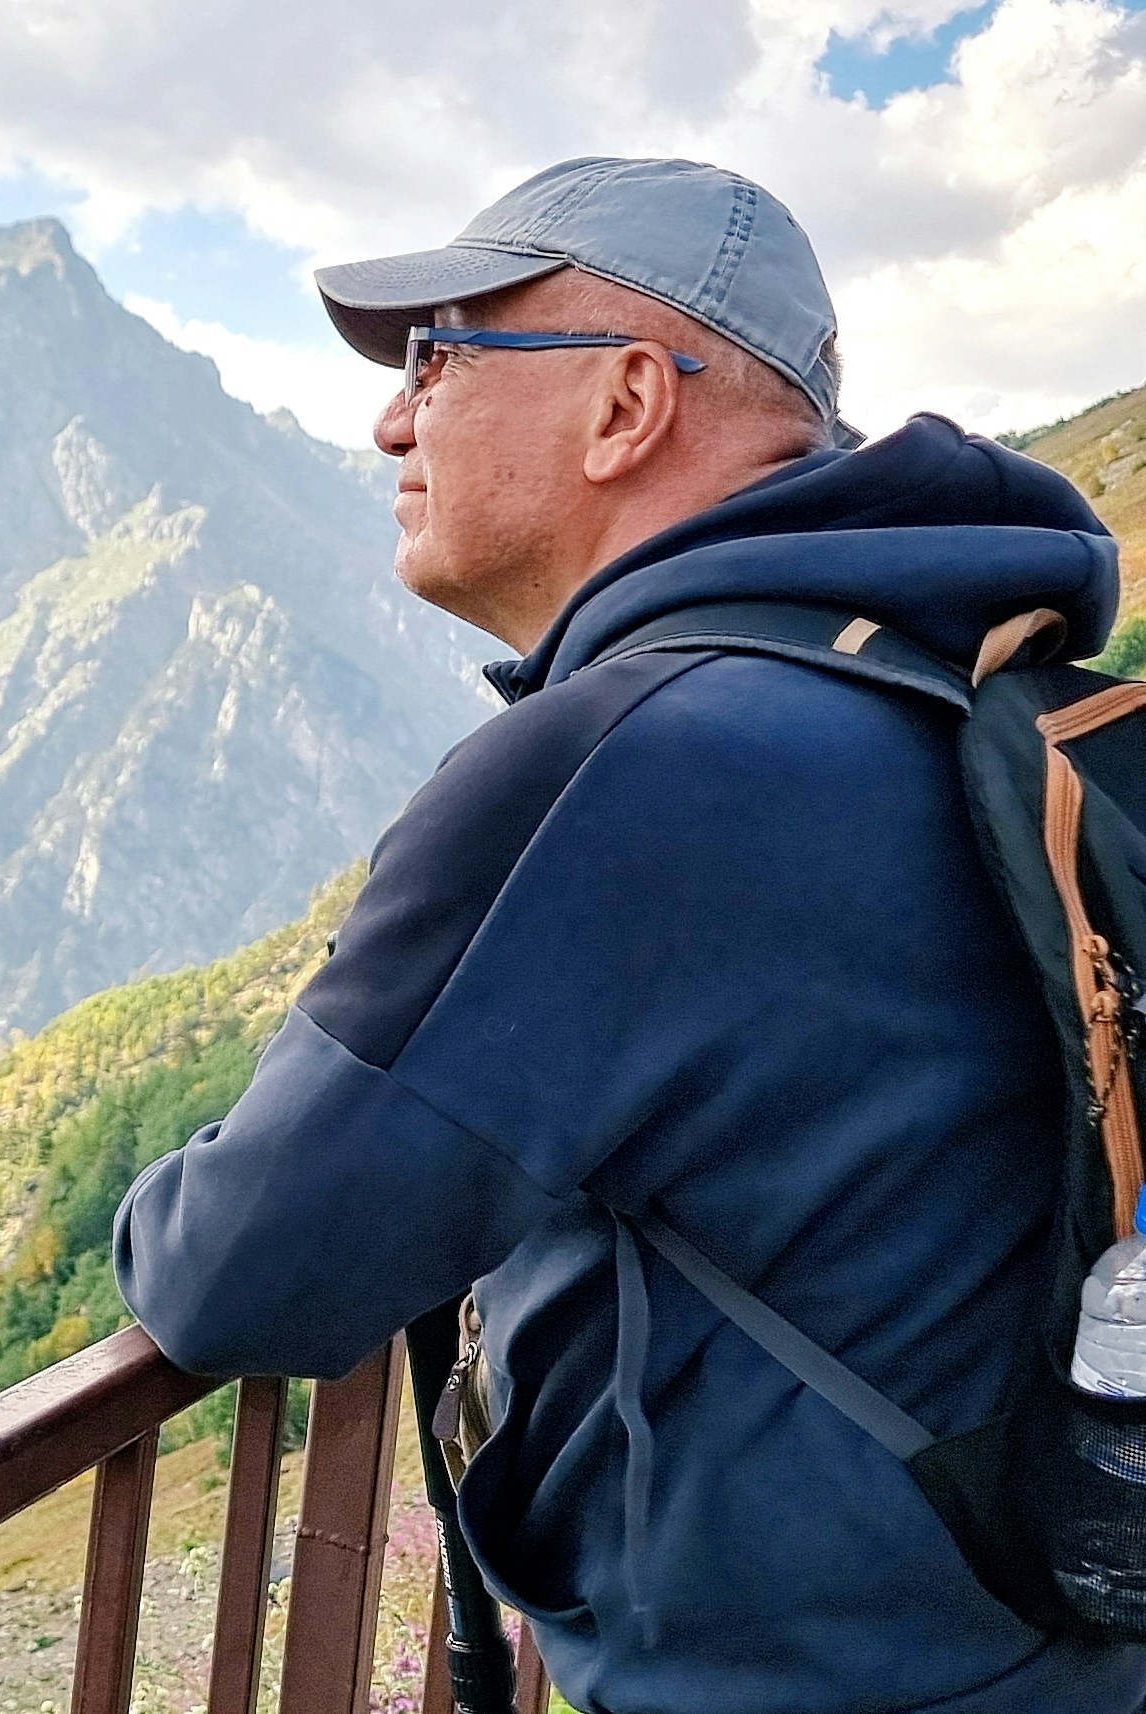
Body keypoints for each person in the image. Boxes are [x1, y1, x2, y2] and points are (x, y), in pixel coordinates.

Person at [110, 158, 1143, 1711]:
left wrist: (174, 1176)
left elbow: (243, 1271)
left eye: (441, 354)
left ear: (628, 404)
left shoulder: (629, 758)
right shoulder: (939, 688)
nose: (395, 418)